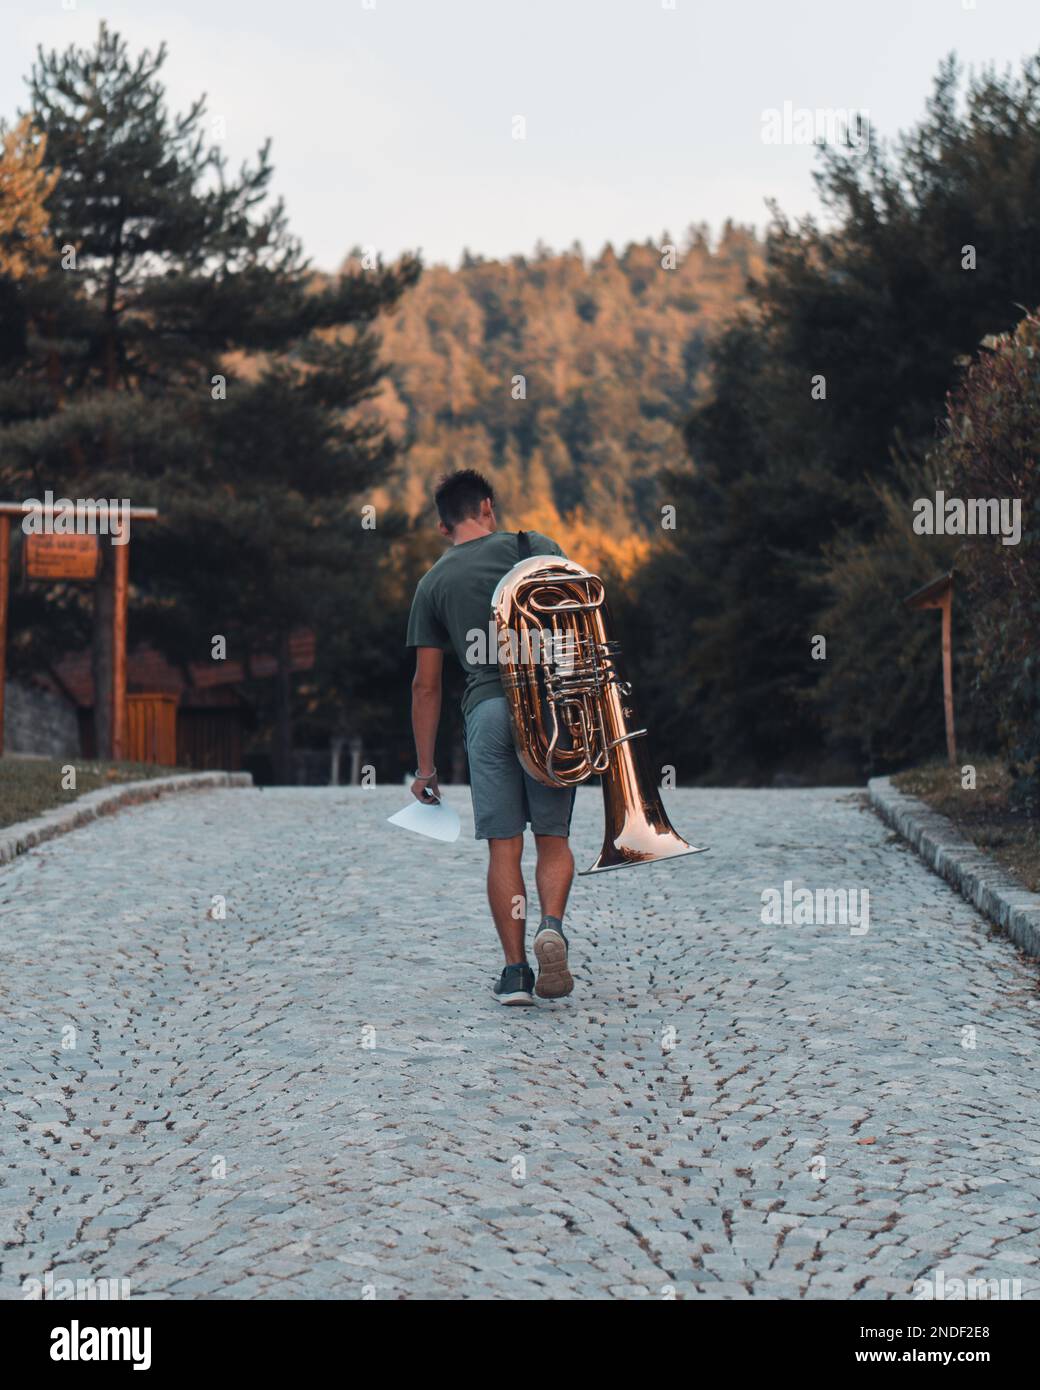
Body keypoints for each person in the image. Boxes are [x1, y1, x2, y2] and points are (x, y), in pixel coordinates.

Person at [406, 469, 575, 1006]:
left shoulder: (433, 583)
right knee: (553, 838)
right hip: (547, 710)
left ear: (442, 525)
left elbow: (426, 686)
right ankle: (551, 925)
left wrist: (426, 768)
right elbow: (579, 628)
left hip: (487, 711)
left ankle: (515, 972)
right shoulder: (535, 548)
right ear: (487, 506)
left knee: (504, 847)